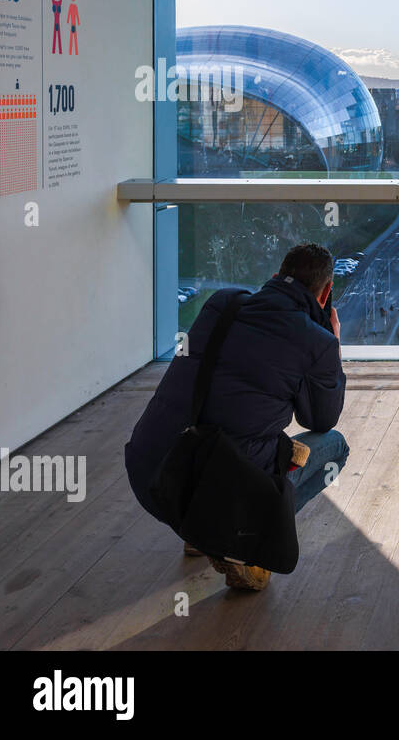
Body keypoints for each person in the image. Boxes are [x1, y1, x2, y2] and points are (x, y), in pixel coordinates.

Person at [125, 243, 348, 591]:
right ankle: (245, 547)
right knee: (335, 446)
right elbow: (320, 420)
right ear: (325, 294)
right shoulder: (317, 342)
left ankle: (199, 532)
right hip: (213, 484)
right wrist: (332, 349)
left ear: (275, 277)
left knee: (238, 431)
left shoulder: (222, 304)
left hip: (151, 473)